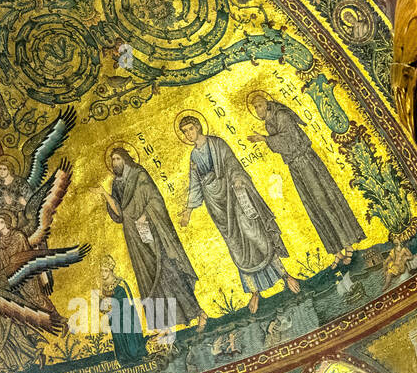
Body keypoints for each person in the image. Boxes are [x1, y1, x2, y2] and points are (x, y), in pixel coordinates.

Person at [177, 115, 296, 314]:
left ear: (198, 127)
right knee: (237, 246)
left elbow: (232, 164)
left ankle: (285, 275)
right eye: (184, 132)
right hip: (217, 206)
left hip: (234, 195)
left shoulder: (216, 144)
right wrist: (188, 211)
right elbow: (195, 184)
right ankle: (254, 291)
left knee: (256, 234)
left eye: (190, 129)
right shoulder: (193, 157)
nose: (188, 134)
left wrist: (238, 179)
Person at [246, 92, 363, 265]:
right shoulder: (269, 123)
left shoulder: (281, 116)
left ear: (267, 104)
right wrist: (266, 139)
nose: (258, 110)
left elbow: (290, 141)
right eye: (255, 107)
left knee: (324, 201)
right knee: (312, 207)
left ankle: (348, 244)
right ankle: (336, 250)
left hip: (305, 161)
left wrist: (265, 139)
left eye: (260, 105)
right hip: (295, 165)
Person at [98, 147, 203, 329]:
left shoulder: (139, 175)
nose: (115, 163)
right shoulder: (116, 184)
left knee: (166, 271)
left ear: (125, 159)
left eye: (117, 159)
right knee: (146, 278)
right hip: (134, 238)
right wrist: (105, 195)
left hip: (150, 231)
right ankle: (163, 327)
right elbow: (120, 215)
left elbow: (155, 199)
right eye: (112, 160)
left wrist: (145, 215)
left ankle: (198, 313)